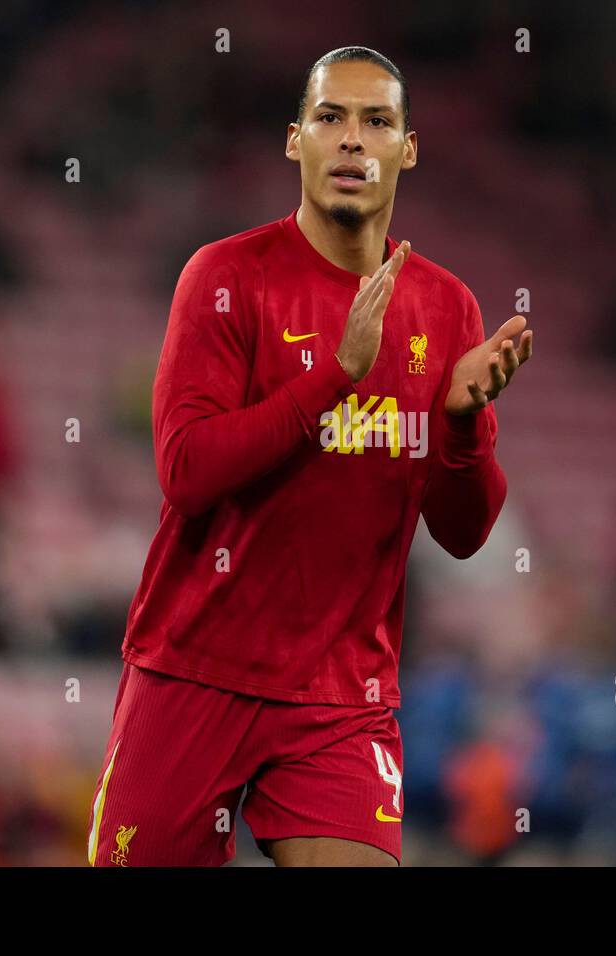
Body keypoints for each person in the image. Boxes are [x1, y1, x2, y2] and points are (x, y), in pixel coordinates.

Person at [87, 46, 533, 867]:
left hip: (341, 695)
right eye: (331, 118)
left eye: (377, 122)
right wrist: (336, 375)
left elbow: (462, 532)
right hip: (194, 671)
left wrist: (463, 425)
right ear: (295, 141)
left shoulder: (446, 306)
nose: (353, 141)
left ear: (408, 149)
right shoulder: (225, 278)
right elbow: (187, 474)